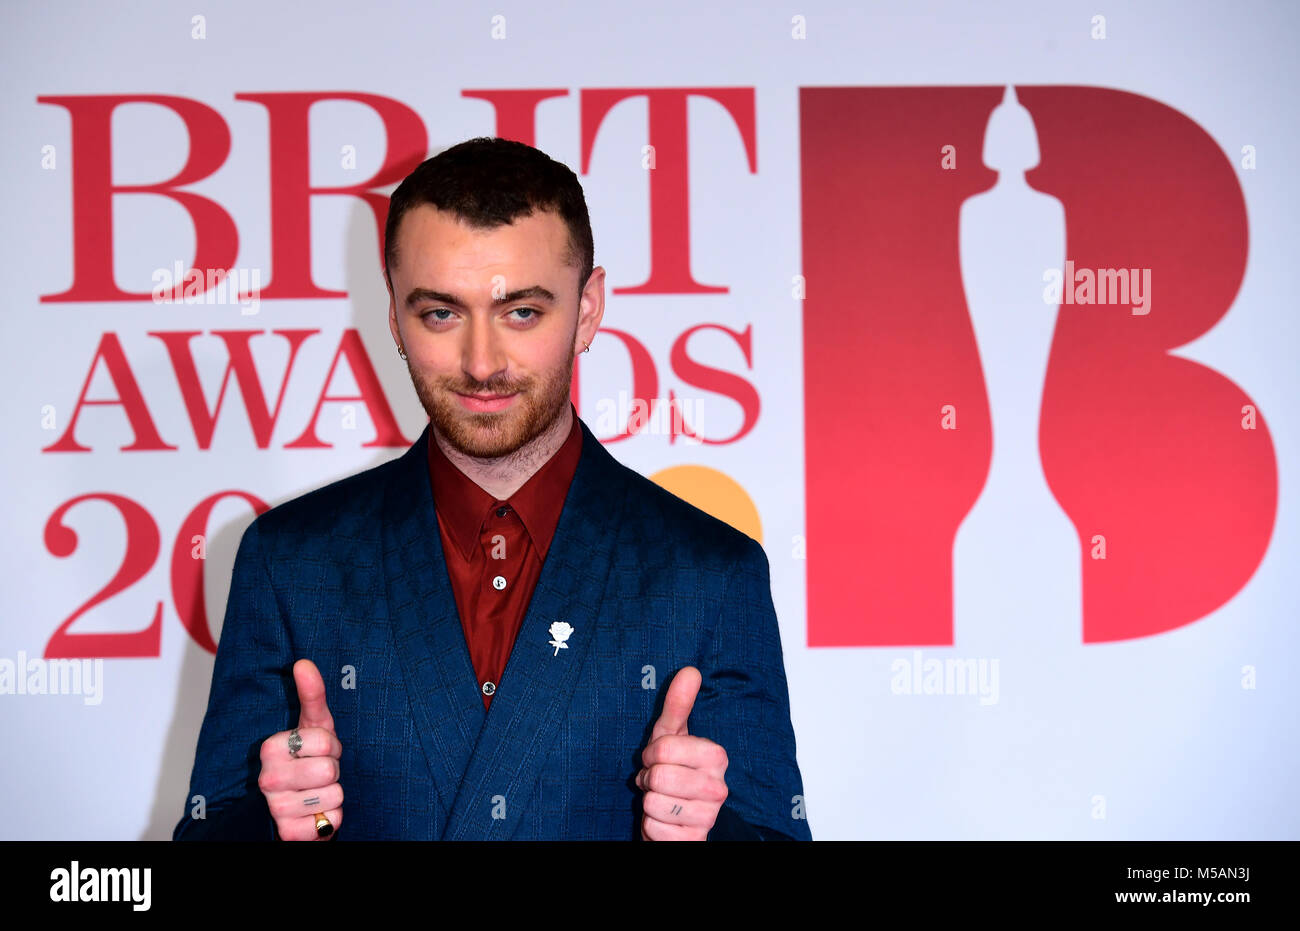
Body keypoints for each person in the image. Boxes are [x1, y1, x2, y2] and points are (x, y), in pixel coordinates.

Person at [173, 136, 810, 841]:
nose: (481, 363)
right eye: (441, 313)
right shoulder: (290, 562)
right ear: (394, 318)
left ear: (589, 310)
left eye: (522, 313)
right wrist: (270, 827)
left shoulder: (712, 575)